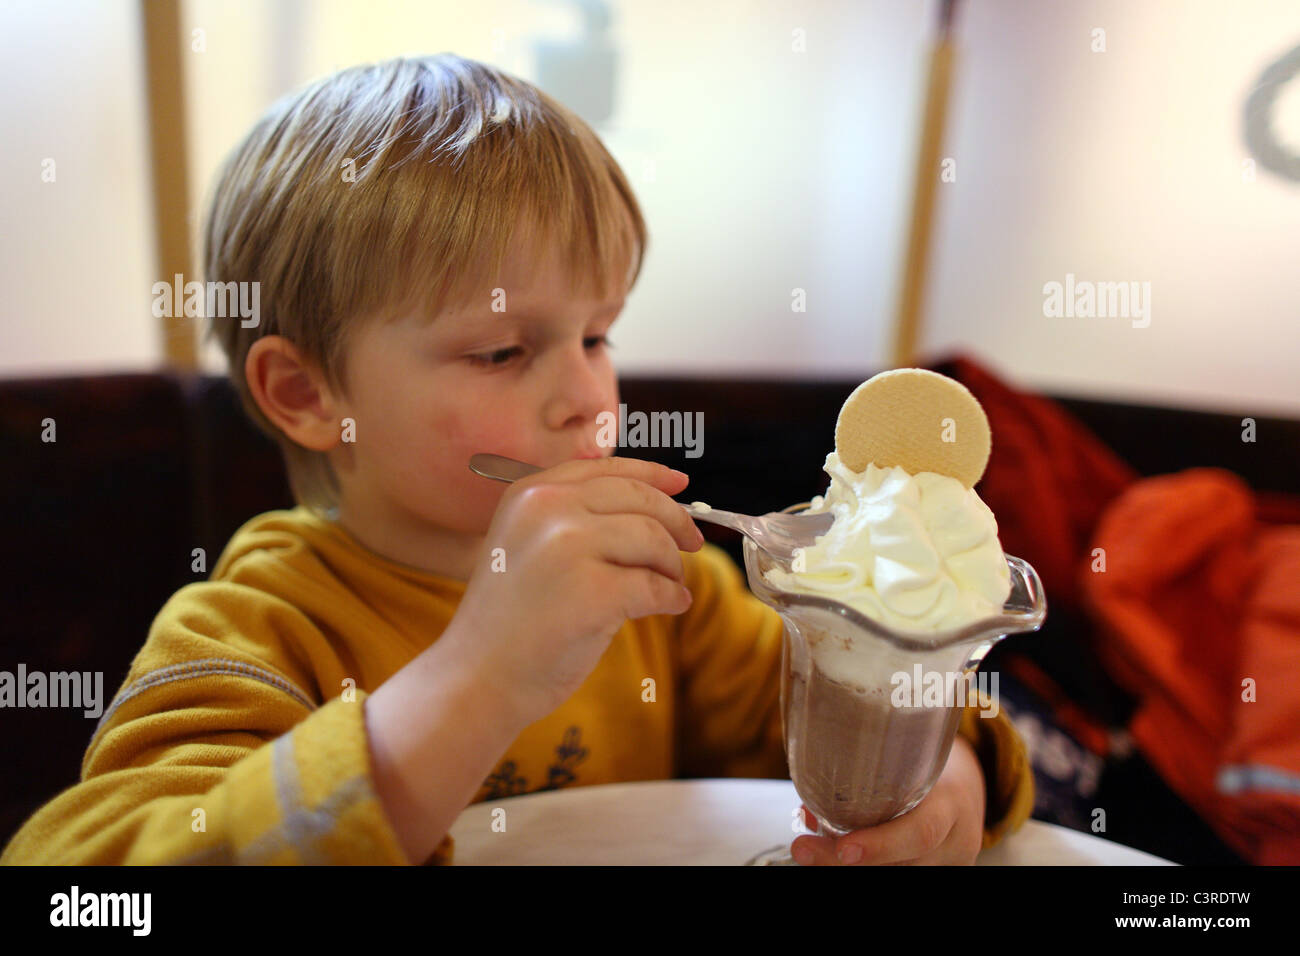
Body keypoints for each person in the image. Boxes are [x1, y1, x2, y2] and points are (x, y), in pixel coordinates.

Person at [1, 54, 1032, 866]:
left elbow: (866, 696)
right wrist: (476, 673)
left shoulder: (667, 592)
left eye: (598, 336)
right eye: (503, 349)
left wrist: (948, 787)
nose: (588, 392)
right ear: (309, 395)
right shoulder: (262, 623)